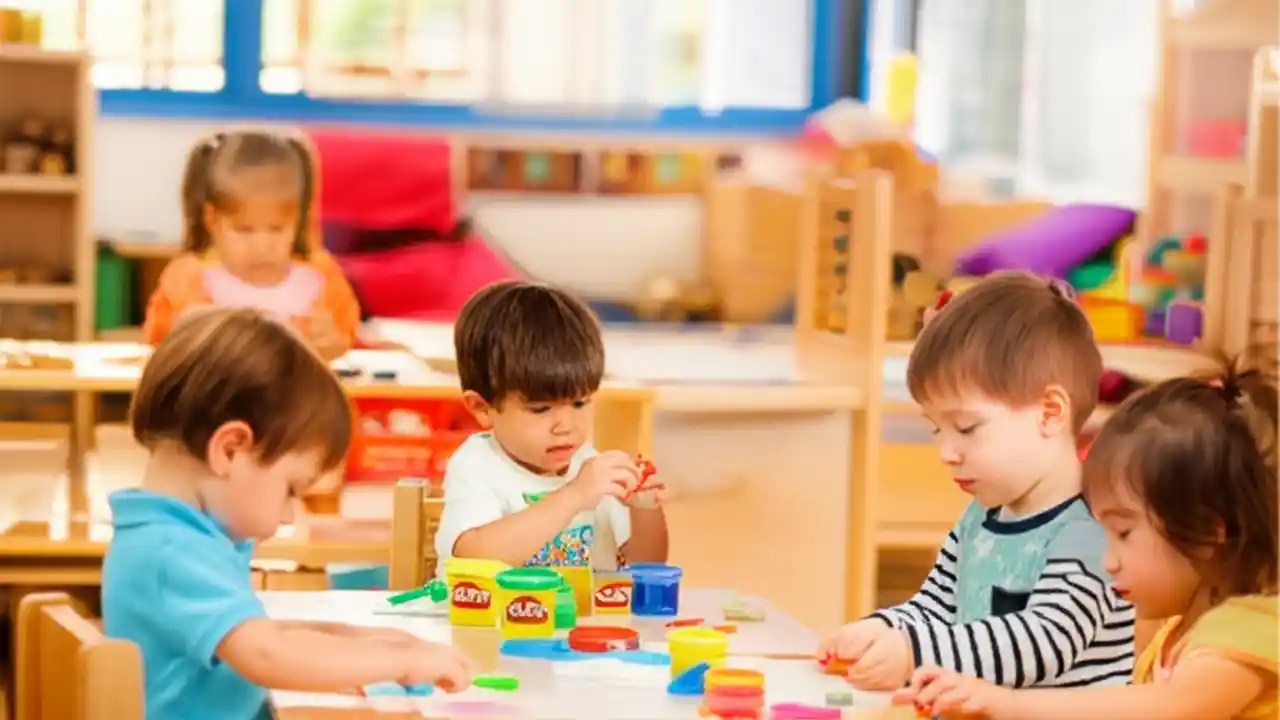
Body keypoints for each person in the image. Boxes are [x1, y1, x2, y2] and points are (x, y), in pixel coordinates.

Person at [104, 308, 473, 720]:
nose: (287, 514)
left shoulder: (177, 535)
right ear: (230, 450)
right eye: (290, 490)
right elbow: (266, 654)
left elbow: (263, 633)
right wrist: (401, 664)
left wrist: (371, 643)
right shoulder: (174, 551)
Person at [895, 363, 1278, 719]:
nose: (1108, 561)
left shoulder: (1248, 628)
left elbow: (1163, 710)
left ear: (1209, 531)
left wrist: (1007, 703)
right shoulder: (1173, 634)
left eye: (1124, 534)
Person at [818, 271, 1133, 690]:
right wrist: (879, 630)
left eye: (965, 428)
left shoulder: (1090, 528)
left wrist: (913, 651)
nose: (946, 452)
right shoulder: (980, 517)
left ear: (1050, 413)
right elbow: (935, 608)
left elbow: (1045, 641)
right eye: (937, 430)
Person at [434, 280, 669, 573]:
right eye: (540, 409)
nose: (565, 426)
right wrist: (574, 495)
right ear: (483, 409)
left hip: (576, 619)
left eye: (580, 404)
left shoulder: (587, 464)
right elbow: (474, 559)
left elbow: (642, 568)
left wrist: (645, 511)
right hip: (486, 618)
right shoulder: (477, 465)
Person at [141, 130, 360, 360]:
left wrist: (331, 342)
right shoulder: (187, 279)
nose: (262, 246)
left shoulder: (320, 276)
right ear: (212, 219)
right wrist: (183, 332)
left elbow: (346, 341)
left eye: (277, 229)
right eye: (244, 230)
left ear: (297, 221)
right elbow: (157, 345)